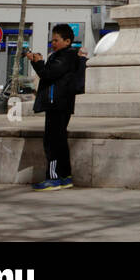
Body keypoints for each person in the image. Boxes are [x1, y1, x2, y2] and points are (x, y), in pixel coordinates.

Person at [28, 26, 87, 190]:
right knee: (60, 140)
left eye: (56, 40)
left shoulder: (65, 57)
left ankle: (53, 177)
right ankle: (65, 176)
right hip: (61, 103)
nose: (53, 43)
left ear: (67, 41)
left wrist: (38, 62)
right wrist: (37, 63)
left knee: (52, 141)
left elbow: (48, 74)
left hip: (57, 103)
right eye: (52, 40)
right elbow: (47, 73)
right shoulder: (63, 56)